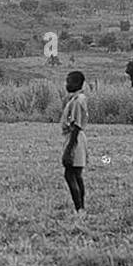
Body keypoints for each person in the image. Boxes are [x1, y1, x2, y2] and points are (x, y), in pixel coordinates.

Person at [60, 70, 88, 212]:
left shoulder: (78, 101)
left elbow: (76, 125)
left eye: (68, 81)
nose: (66, 84)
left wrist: (69, 150)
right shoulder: (77, 99)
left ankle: (79, 208)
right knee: (76, 174)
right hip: (76, 138)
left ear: (77, 83)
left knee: (69, 174)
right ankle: (81, 207)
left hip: (74, 138)